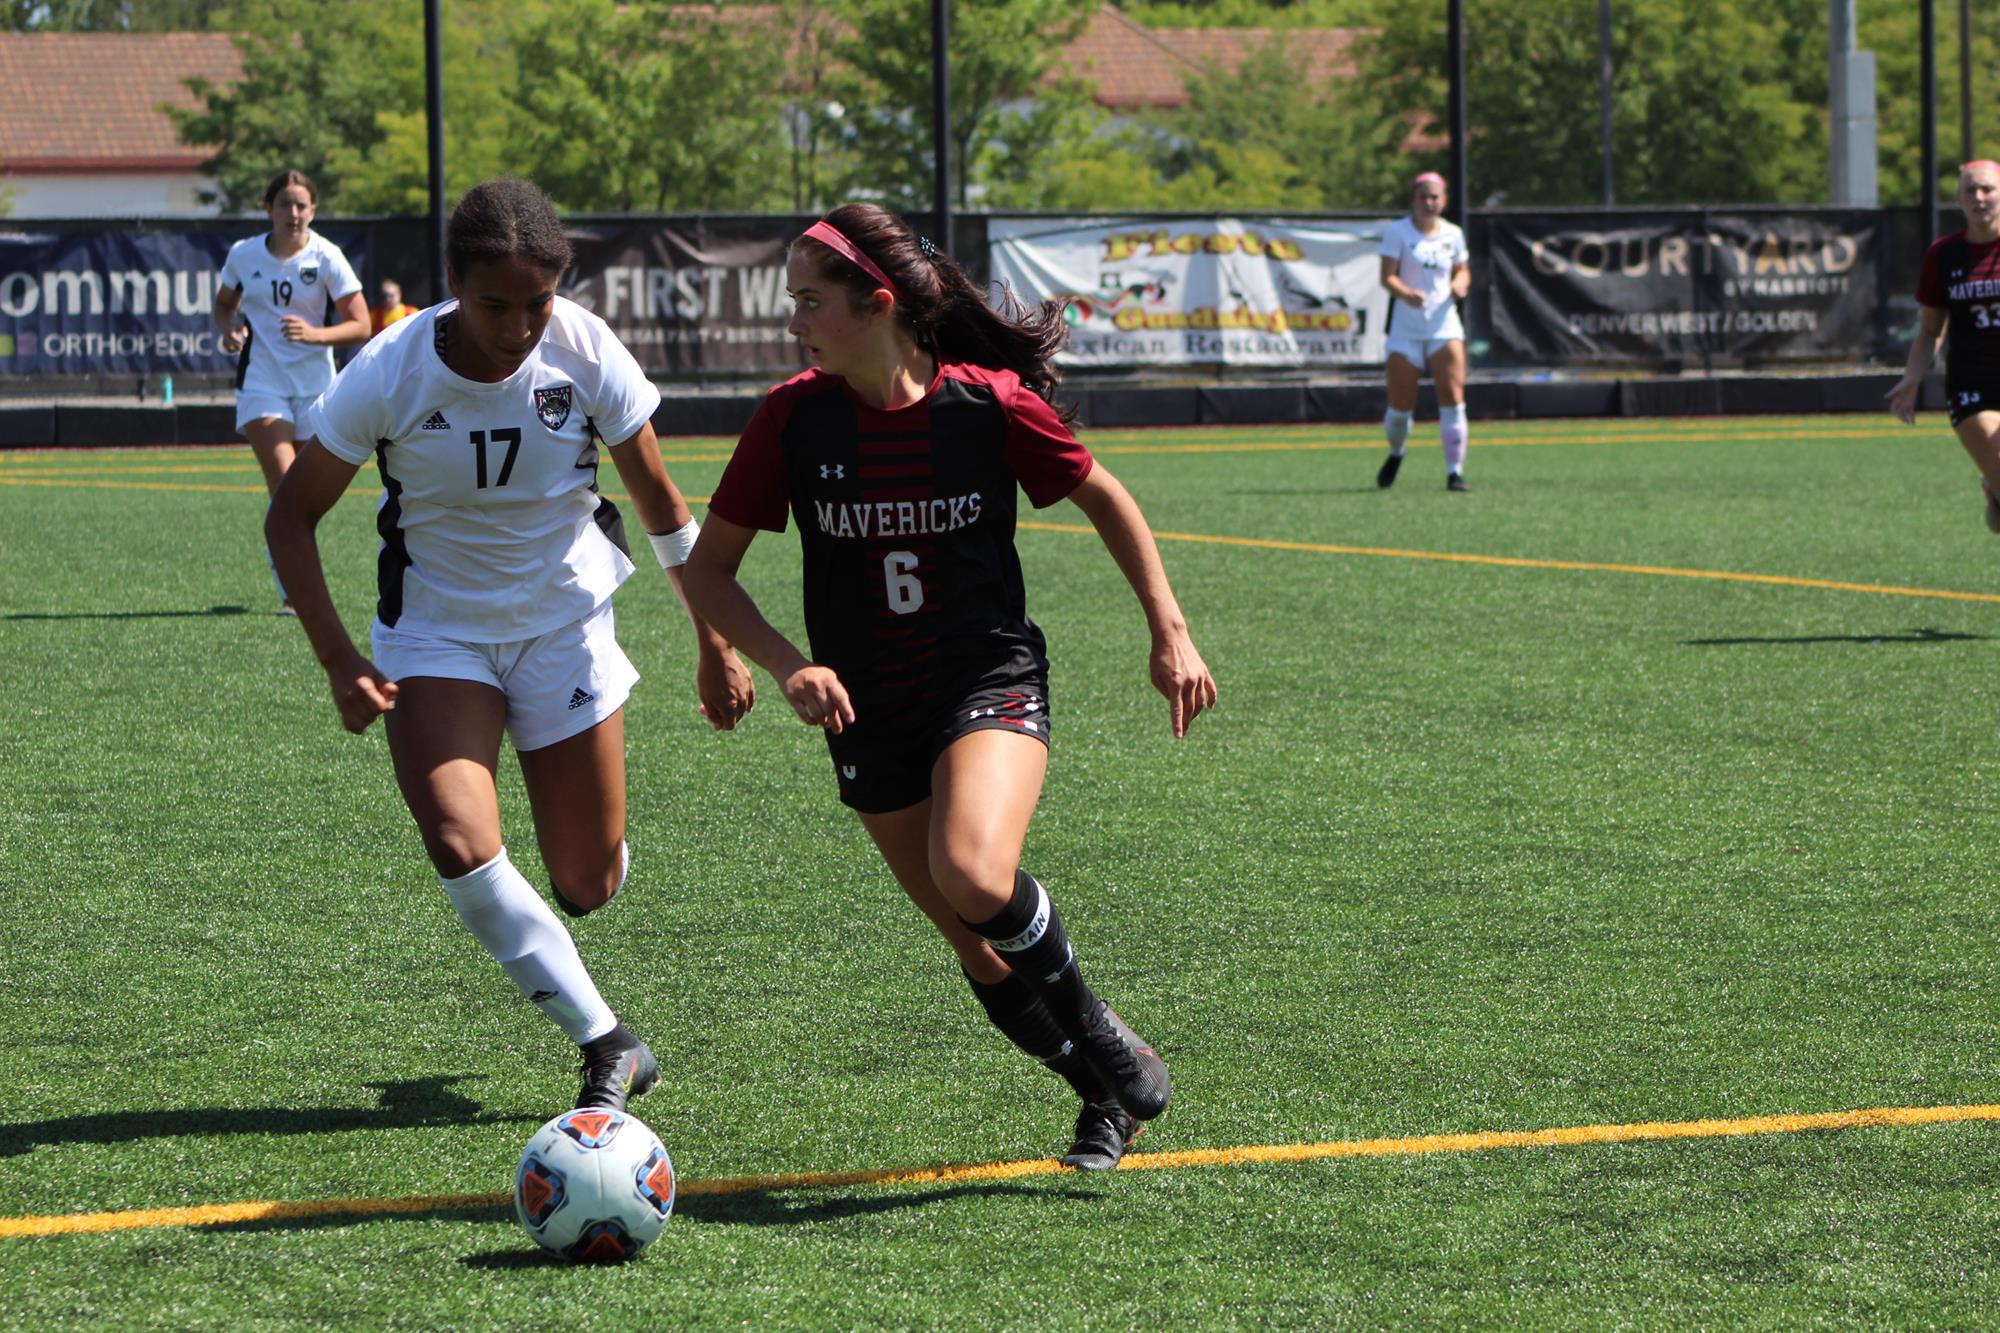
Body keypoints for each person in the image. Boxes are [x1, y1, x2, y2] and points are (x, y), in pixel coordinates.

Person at [681, 204, 1218, 1171]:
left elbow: (1105, 494)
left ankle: (1102, 1029)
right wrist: (786, 660)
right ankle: (1104, 1097)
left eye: (810, 302)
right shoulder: (792, 418)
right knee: (974, 940)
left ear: (876, 304)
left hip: (985, 675)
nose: (794, 321)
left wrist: (1168, 629)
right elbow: (710, 569)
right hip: (866, 706)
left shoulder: (989, 406)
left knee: (975, 875)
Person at [266, 177, 754, 1113]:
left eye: (538, 302)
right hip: (436, 635)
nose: (521, 325)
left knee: (586, 880)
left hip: (565, 625)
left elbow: (663, 511)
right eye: (496, 304)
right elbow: (291, 520)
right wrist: (338, 661)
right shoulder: (390, 367)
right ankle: (608, 1040)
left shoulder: (583, 347)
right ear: (452, 283)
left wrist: (714, 643)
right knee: (458, 836)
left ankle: (593, 861)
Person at [213, 169, 371, 610]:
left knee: (303, 494)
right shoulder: (244, 255)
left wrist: (315, 334)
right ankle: (293, 588)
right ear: (269, 208)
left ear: (313, 211)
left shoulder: (327, 257)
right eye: (285, 204)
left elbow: (362, 324)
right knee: (282, 479)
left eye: (302, 205)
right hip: (262, 382)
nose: (294, 213)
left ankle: (282, 553)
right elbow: (225, 305)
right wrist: (228, 330)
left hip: (316, 386)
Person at [1889, 160, 2000, 533]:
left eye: (1987, 189)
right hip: (1973, 387)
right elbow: (1931, 328)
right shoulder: (1944, 255)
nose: (1979, 197)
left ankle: (1995, 496)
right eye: (1971, 190)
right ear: (1959, 199)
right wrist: (1911, 379)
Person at [1375, 171, 1473, 492]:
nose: (1429, 203)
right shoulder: (1397, 232)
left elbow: (1462, 271)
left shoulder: (1453, 234)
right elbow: (1387, 276)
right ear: (1413, 200)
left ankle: (1454, 472)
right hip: (1407, 330)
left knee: (1453, 398)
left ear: (1443, 201)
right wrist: (1405, 293)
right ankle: (1396, 451)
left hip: (1444, 325)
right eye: (1423, 197)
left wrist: (1460, 284)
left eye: (1435, 197)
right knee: (1401, 408)